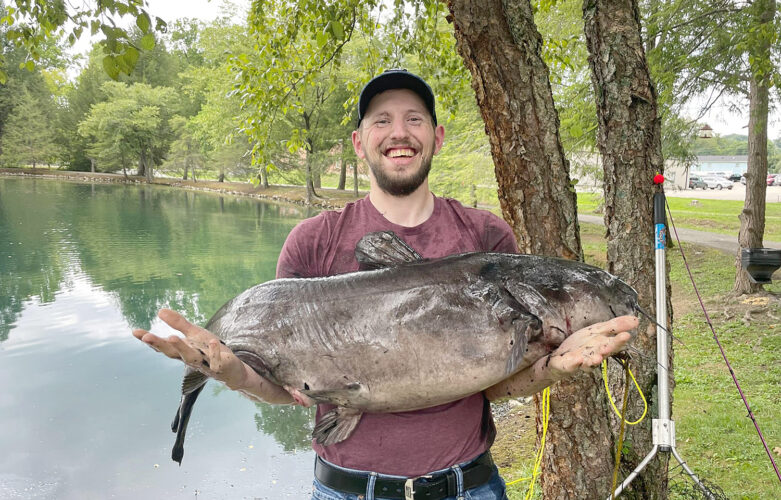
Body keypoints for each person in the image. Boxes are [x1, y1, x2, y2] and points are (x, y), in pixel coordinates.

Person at [133, 69, 638, 500]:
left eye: (414, 119)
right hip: (346, 487)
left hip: (468, 485)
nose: (400, 132)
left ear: (436, 137)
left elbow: (495, 383)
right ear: (359, 142)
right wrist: (233, 373)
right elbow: (291, 390)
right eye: (382, 120)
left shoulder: (486, 236)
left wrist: (550, 368)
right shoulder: (313, 240)